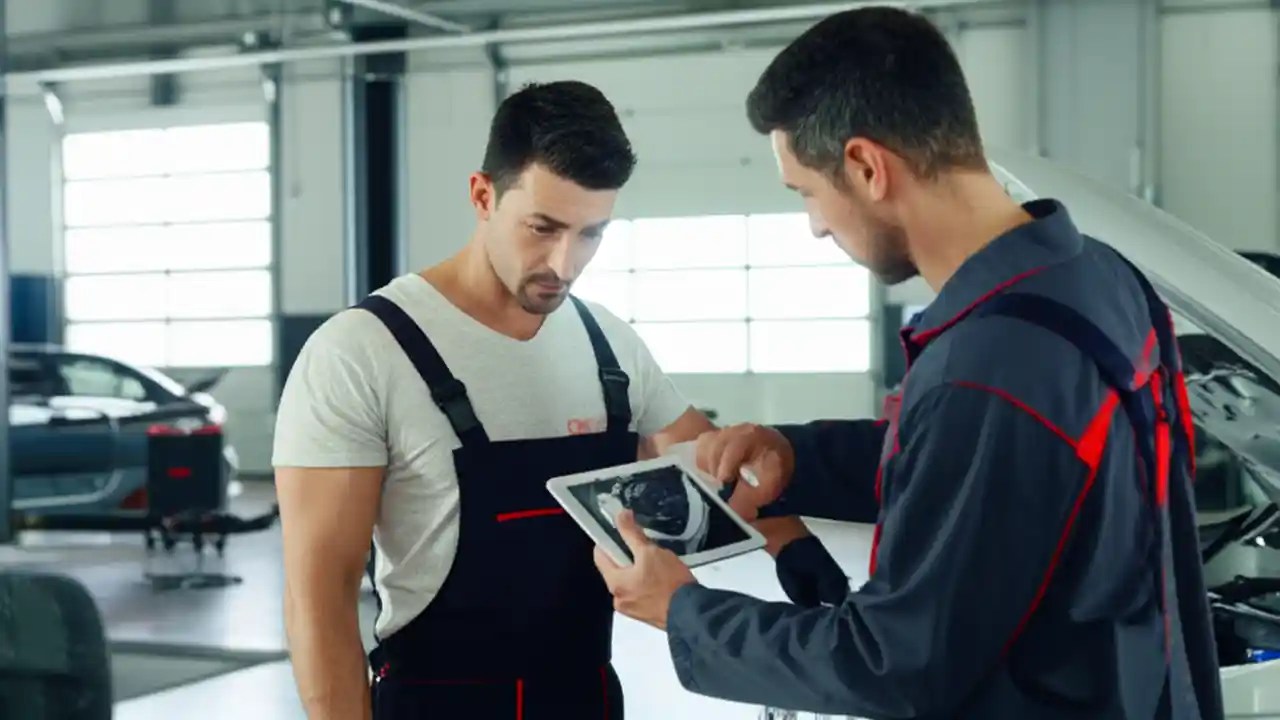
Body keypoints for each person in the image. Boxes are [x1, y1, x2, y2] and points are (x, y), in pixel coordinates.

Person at [593, 8, 1224, 720]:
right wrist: (797, 456)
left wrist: (682, 614)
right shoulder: (1100, 279)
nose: (817, 224)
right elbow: (995, 476)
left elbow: (890, 664)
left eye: (807, 192)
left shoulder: (988, 368)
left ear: (866, 166)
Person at [273, 80, 724, 720]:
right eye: (542, 228)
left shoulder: (610, 346)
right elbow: (318, 599)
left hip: (586, 701)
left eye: (591, 234)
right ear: (483, 195)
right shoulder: (360, 352)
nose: (564, 263)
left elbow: (721, 475)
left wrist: (794, 546)